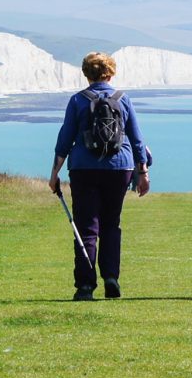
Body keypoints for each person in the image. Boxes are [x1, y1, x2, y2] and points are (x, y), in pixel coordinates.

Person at [49, 52, 152, 300]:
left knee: (85, 226)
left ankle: (85, 286)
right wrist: (143, 171)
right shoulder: (123, 99)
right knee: (111, 224)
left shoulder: (77, 100)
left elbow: (65, 138)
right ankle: (111, 278)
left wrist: (55, 172)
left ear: (86, 73)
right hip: (119, 167)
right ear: (111, 72)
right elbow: (136, 138)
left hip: (84, 167)